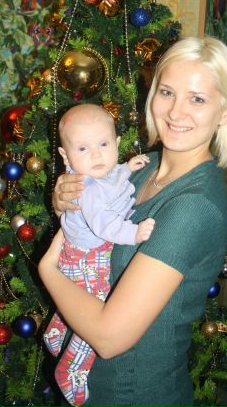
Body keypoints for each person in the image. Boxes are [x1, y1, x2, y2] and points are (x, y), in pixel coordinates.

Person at [39, 35, 227, 407]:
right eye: (167, 92)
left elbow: (109, 337)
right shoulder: (142, 168)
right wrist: (63, 204)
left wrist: (47, 270)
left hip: (132, 394)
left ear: (226, 112)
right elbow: (93, 226)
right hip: (95, 388)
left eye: (197, 99)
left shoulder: (193, 206)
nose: (176, 112)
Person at [43, 103, 154, 406]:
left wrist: (127, 168)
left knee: (78, 297)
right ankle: (71, 369)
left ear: (116, 143)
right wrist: (133, 233)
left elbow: (112, 177)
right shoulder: (87, 189)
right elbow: (104, 224)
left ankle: (56, 331)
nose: (96, 155)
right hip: (87, 257)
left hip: (81, 252)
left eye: (103, 144)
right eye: (83, 148)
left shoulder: (101, 172)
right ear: (65, 156)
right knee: (95, 310)